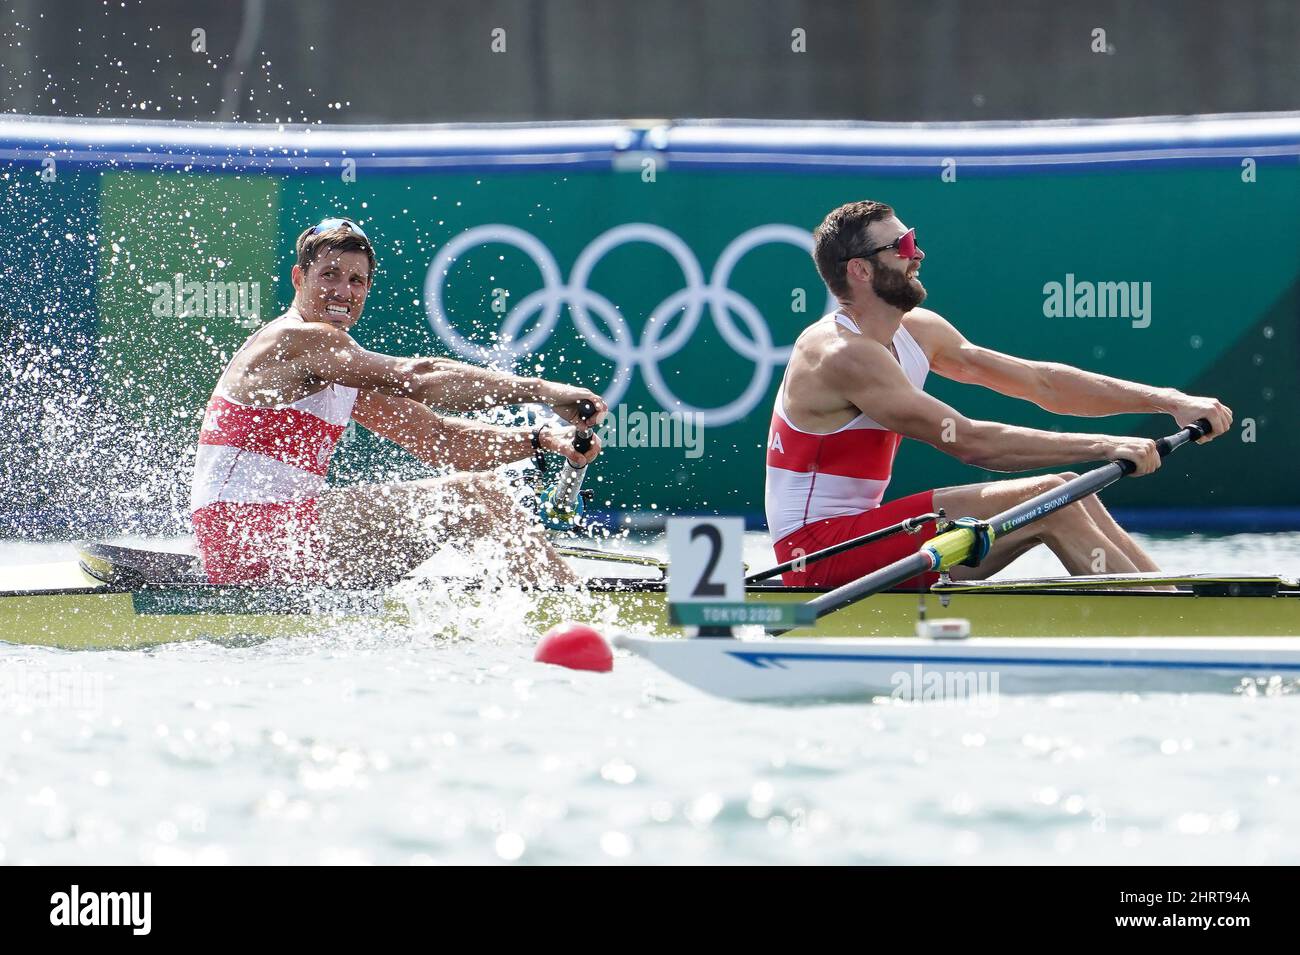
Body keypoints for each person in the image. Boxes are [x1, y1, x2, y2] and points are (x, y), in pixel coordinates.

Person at [766, 200, 1232, 588]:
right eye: (903, 246)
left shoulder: (919, 332)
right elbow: (970, 442)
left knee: (1069, 490)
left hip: (863, 540)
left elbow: (1042, 383)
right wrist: (1105, 445)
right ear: (861, 270)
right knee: (1053, 495)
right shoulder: (840, 353)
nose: (919, 254)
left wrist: (1169, 401)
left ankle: (1171, 603)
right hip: (816, 557)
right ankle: (1161, 633)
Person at [190, 217, 605, 588]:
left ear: (368, 288)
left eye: (356, 280)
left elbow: (439, 439)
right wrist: (544, 391)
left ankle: (555, 602)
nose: (342, 290)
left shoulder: (338, 364)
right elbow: (417, 378)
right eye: (329, 275)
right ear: (300, 278)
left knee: (485, 493)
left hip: (271, 534)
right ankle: (572, 613)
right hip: (243, 534)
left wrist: (543, 438)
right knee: (470, 496)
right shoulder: (297, 340)